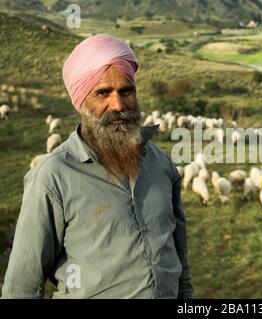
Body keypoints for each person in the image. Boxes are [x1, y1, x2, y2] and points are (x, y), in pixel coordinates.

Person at [1, 34, 193, 299]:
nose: (118, 104)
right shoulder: (52, 178)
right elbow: (21, 287)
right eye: (103, 93)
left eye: (126, 91)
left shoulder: (161, 164)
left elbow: (179, 260)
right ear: (81, 101)